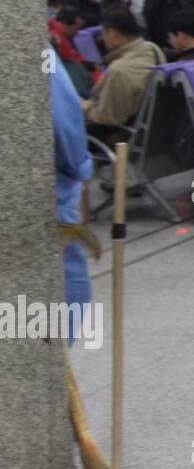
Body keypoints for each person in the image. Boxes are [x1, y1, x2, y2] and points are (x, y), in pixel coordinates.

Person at [52, 63, 95, 341]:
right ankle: (53, 370)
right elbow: (61, 116)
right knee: (66, 274)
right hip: (47, 191)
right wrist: (80, 167)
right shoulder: (39, 53)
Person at [82, 8, 165, 142]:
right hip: (153, 133)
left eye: (104, 33)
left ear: (114, 34)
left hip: (120, 137)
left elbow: (108, 117)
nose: (103, 39)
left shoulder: (119, 70)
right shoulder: (153, 49)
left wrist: (81, 106)